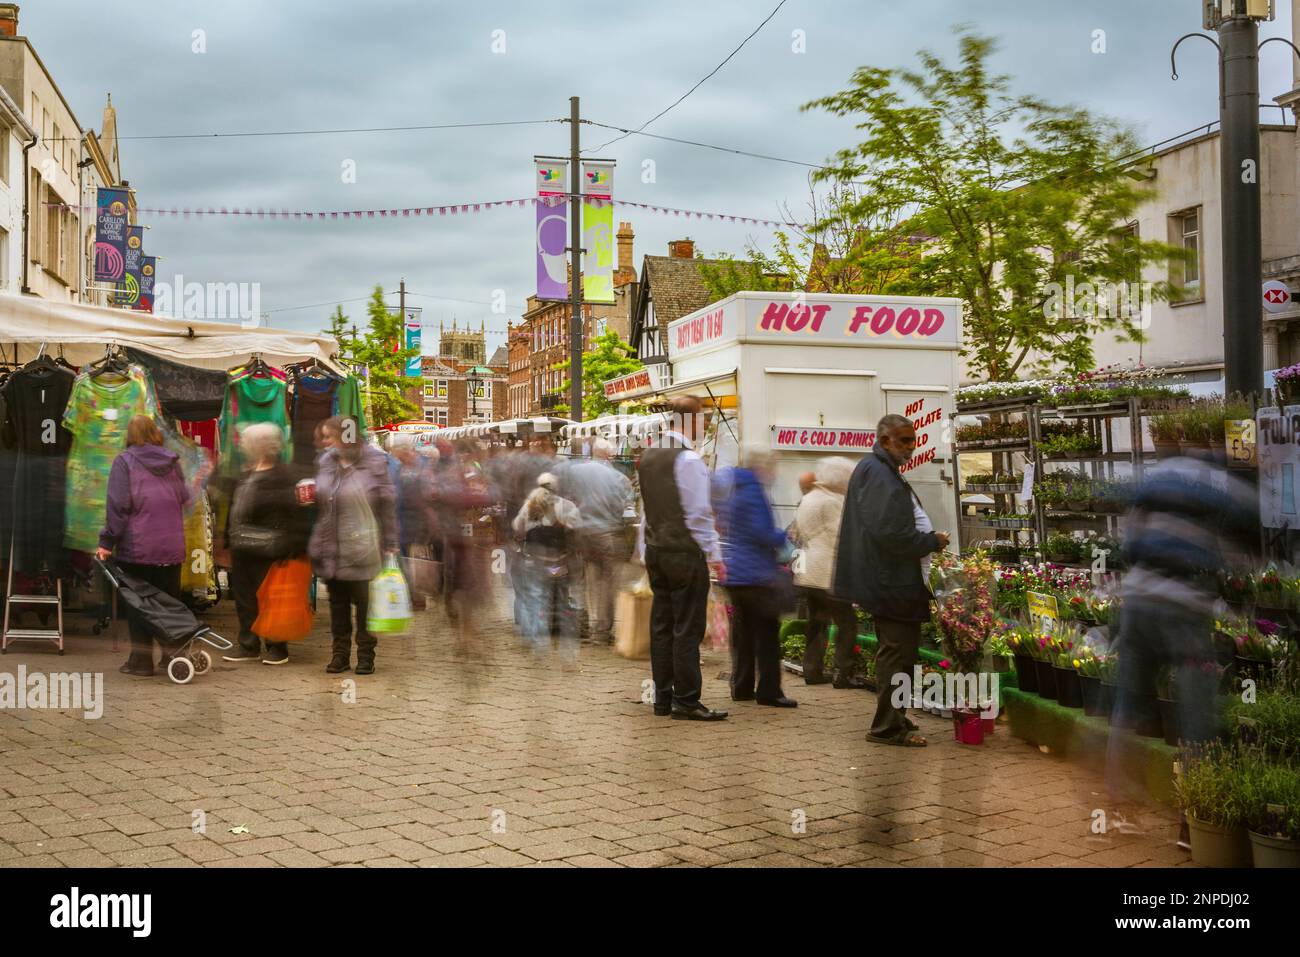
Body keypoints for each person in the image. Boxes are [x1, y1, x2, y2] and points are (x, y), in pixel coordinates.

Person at [833, 414, 949, 747]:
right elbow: (890, 533)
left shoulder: (879, 470)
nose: (912, 447)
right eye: (905, 441)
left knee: (901, 654)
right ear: (885, 441)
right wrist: (931, 541)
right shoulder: (879, 473)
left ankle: (895, 717)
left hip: (892, 581)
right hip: (892, 582)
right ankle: (887, 727)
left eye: (913, 440)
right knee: (897, 655)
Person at [637, 395, 727, 721]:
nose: (704, 426)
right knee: (687, 627)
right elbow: (699, 515)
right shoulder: (688, 460)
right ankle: (687, 700)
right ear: (689, 420)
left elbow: (646, 510)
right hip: (683, 553)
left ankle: (662, 699)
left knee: (661, 625)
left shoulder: (649, 456)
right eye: (702, 419)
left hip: (657, 551)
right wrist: (715, 556)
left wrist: (644, 551)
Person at [96, 415, 191, 677]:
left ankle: (141, 661)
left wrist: (106, 541)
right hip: (171, 546)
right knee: (169, 602)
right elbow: (183, 497)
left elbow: (118, 506)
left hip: (138, 548)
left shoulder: (124, 462)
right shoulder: (173, 462)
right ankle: (173, 655)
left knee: (139, 605)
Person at [308, 416, 398, 675]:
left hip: (364, 546)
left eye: (328, 436)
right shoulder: (326, 461)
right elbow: (323, 497)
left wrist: (391, 541)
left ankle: (366, 655)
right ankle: (340, 654)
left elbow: (387, 504)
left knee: (364, 604)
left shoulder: (374, 461)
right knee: (337, 604)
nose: (324, 442)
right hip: (331, 545)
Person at [222, 423, 311, 665]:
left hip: (271, 548)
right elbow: (234, 509)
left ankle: (276, 645)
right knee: (244, 598)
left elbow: (298, 514)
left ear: (263, 445)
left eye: (248, 443)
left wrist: (294, 546)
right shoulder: (245, 474)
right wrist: (227, 540)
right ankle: (248, 644)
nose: (244, 447)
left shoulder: (287, 476)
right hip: (243, 547)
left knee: (271, 597)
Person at [717, 446, 796, 707]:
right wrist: (784, 536)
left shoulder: (735, 489)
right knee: (767, 634)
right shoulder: (754, 493)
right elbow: (762, 533)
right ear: (762, 467)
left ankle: (741, 686)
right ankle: (769, 691)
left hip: (737, 573)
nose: (774, 473)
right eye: (772, 466)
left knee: (743, 633)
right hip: (755, 575)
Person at [790, 456, 864, 689]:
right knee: (847, 623)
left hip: (809, 570)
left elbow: (798, 531)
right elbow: (842, 536)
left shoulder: (809, 498)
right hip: (828, 571)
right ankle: (843, 673)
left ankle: (812, 670)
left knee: (817, 621)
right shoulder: (834, 501)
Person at [561, 438, 634, 645]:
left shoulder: (575, 471)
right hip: (607, 533)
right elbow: (627, 510)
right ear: (610, 455)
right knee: (607, 581)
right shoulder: (619, 478)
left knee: (580, 579)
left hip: (580, 532)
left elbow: (564, 495)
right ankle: (601, 631)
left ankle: (580, 623)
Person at [512, 472, 581, 662]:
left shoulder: (529, 505)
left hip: (537, 563)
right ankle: (569, 654)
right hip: (559, 563)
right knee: (563, 602)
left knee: (538, 602)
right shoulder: (567, 506)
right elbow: (576, 530)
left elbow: (517, 527)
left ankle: (540, 648)